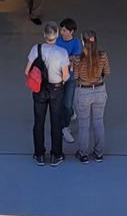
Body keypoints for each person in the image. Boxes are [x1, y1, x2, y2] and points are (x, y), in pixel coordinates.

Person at [25, 21, 71, 166]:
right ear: (56, 35)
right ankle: (56, 155)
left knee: (38, 122)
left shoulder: (36, 49)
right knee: (56, 122)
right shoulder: (62, 52)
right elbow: (65, 76)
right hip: (56, 90)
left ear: (44, 35)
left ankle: (39, 154)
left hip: (39, 90)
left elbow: (27, 71)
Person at [71, 28, 109, 162]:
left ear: (83, 42)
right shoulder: (103, 56)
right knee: (98, 122)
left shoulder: (77, 59)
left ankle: (83, 153)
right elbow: (107, 72)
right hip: (99, 89)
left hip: (83, 91)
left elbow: (75, 76)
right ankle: (99, 153)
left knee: (83, 124)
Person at [55, 18, 82, 146]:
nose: (61, 32)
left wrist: (63, 58)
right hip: (58, 78)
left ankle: (65, 125)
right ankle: (64, 125)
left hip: (70, 78)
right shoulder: (57, 41)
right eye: (61, 29)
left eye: (64, 30)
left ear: (71, 31)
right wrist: (68, 59)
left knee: (67, 103)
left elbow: (76, 58)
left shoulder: (76, 43)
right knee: (60, 103)